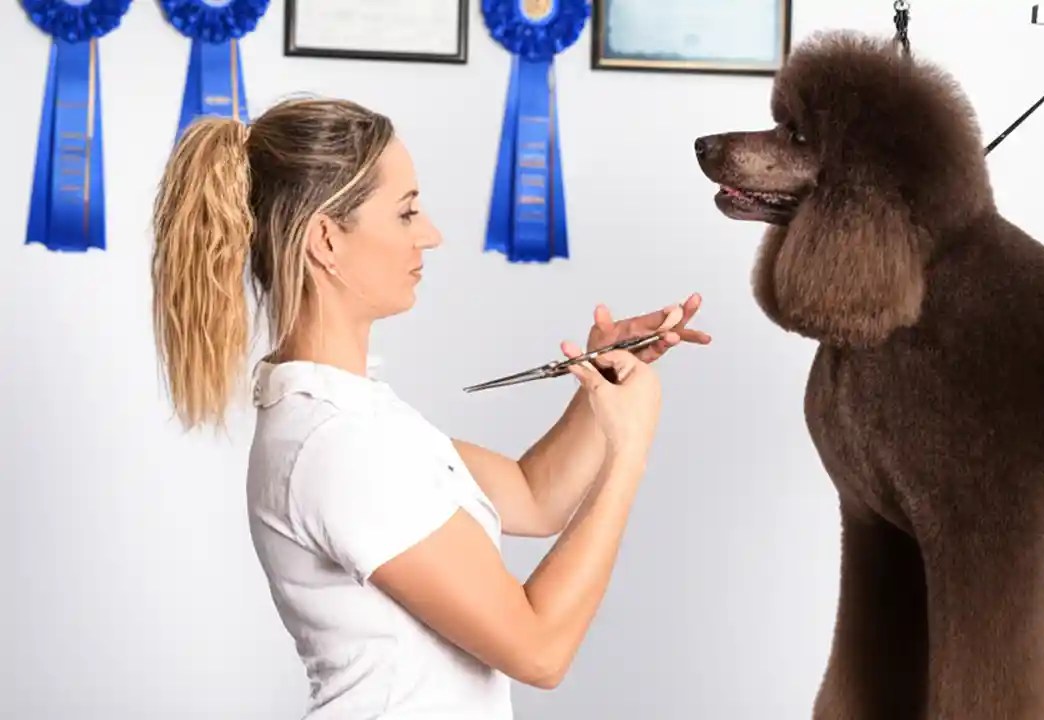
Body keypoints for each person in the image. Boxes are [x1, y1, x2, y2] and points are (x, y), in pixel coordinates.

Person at [148, 96, 710, 719]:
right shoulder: (338, 445)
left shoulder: (352, 414)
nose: (432, 235)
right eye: (407, 212)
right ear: (327, 241)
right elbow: (541, 650)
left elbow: (532, 495)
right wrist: (629, 451)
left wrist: (596, 380)